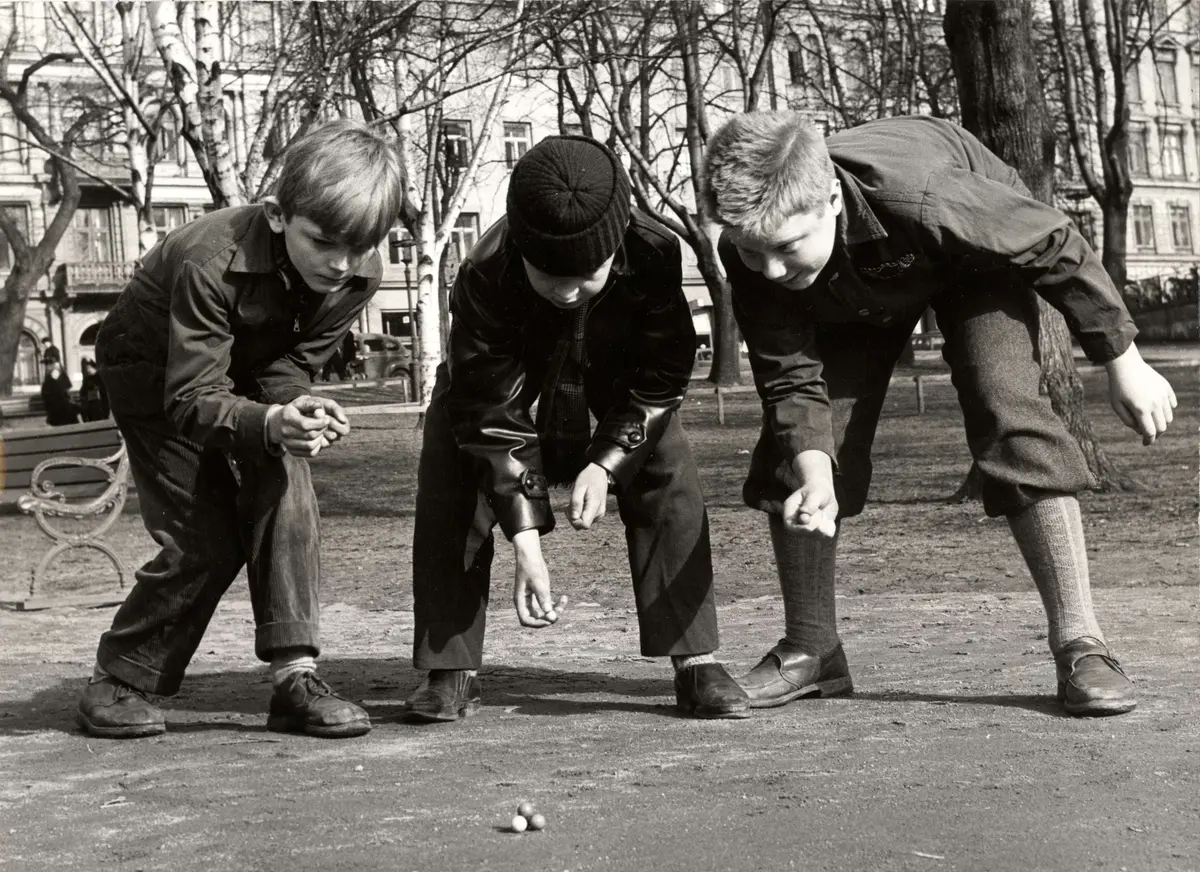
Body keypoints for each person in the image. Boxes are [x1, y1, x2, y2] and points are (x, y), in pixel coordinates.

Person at [701, 113, 1177, 718]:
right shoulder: (754, 249)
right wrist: (815, 471)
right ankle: (812, 649)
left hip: (974, 260)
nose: (769, 269)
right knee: (795, 448)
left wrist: (1123, 360)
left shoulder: (926, 194)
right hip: (856, 283)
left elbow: (1053, 240)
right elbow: (790, 375)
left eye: (787, 247)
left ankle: (1082, 645)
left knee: (1006, 404)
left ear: (830, 200)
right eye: (752, 250)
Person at [75, 118, 405, 739]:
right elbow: (190, 397)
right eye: (324, 242)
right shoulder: (209, 259)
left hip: (243, 372)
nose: (341, 264)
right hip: (153, 374)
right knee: (206, 535)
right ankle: (119, 677)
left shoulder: (361, 273)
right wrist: (270, 419)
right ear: (278, 215)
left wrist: (296, 409)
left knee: (287, 482)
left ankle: (295, 679)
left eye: (361, 245)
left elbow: (288, 362)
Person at [406, 135, 749, 722]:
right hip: (500, 407)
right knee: (453, 468)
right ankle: (449, 666)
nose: (566, 292)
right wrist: (526, 542)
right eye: (548, 275)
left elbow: (663, 376)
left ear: (615, 245)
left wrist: (608, 461)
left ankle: (696, 659)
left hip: (615, 396)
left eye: (587, 274)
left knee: (670, 469)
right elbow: (489, 412)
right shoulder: (484, 271)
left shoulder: (654, 251)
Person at [41, 357, 80, 426]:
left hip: (60, 409)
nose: (46, 367)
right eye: (46, 365)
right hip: (58, 409)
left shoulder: (55, 376)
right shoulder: (52, 376)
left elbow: (61, 391)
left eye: (48, 365)